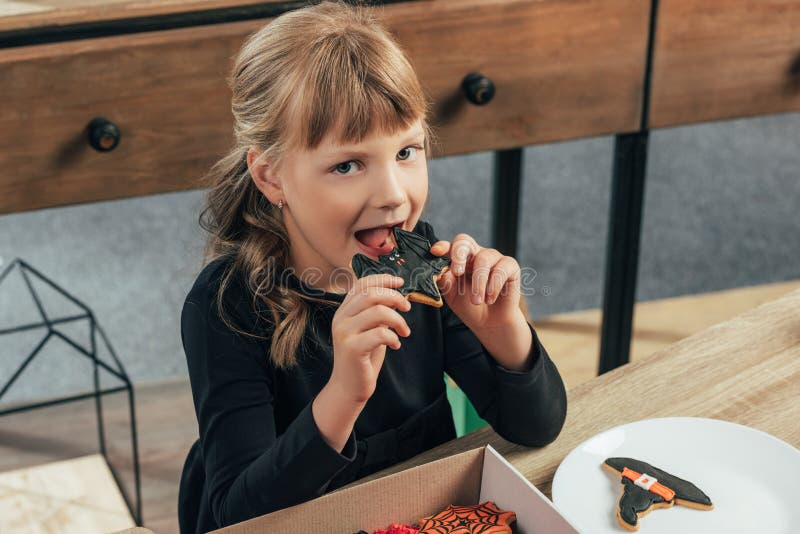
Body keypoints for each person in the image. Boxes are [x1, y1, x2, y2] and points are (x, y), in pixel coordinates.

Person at [177, 1, 567, 532]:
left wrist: (505, 334)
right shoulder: (226, 305)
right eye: (347, 164)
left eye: (407, 151)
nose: (392, 195)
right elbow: (237, 516)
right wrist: (344, 394)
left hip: (414, 511)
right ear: (272, 179)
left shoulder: (426, 273)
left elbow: (537, 428)